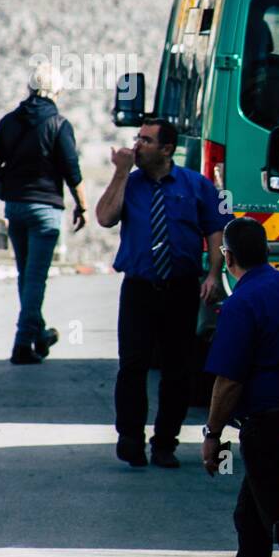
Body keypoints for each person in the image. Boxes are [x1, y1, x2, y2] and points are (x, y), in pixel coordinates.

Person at [190, 217, 279, 557]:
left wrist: (212, 435)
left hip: (266, 429)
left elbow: (229, 380)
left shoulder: (240, 304)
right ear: (268, 252)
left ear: (228, 256)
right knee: (252, 519)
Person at [95, 119, 228, 468]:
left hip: (181, 288)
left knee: (177, 368)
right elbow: (105, 217)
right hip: (139, 288)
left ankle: (165, 441)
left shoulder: (194, 185)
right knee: (133, 365)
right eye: (137, 138)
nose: (137, 145)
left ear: (167, 149)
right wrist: (121, 174)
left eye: (147, 140)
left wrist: (213, 274)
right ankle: (130, 437)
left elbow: (215, 231)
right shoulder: (131, 183)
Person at [0, 61, 87, 365]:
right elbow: (72, 171)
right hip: (46, 211)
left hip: (15, 208)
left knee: (26, 275)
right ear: (56, 90)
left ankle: (40, 333)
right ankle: (22, 344)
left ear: (29, 88)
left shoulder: (9, 122)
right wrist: (82, 206)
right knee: (35, 278)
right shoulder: (59, 125)